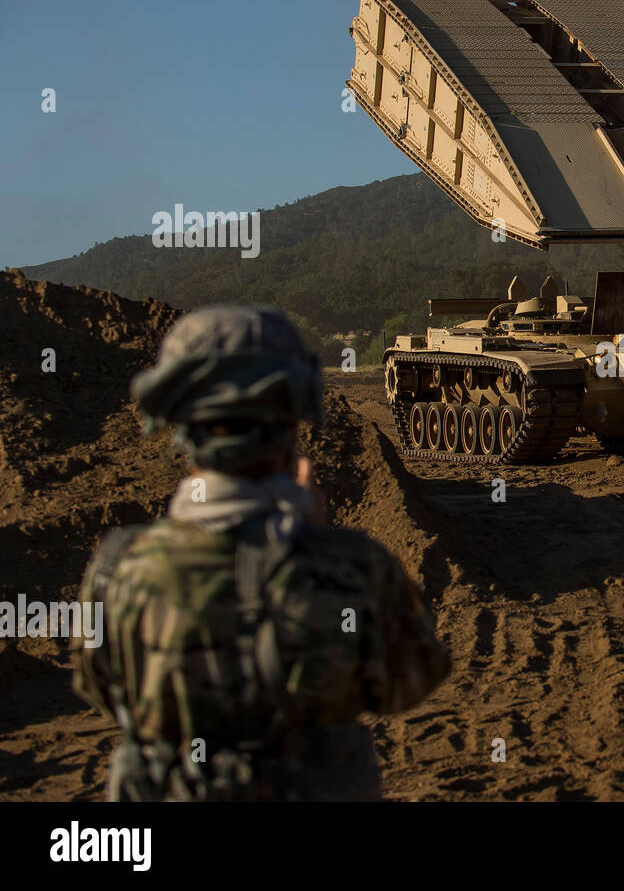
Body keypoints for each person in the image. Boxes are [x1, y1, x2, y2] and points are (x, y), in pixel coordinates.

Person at [72, 306, 451, 800]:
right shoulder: (352, 567)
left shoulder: (118, 567)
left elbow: (101, 688)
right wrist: (313, 539)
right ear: (293, 417)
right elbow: (409, 682)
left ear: (180, 424)